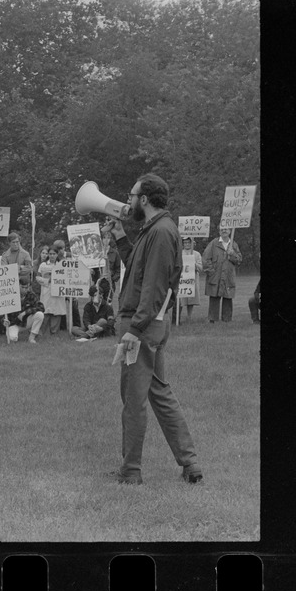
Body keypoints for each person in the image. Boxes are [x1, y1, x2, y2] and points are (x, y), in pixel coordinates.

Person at [105, 173, 203, 485]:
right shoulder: (156, 230)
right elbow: (137, 269)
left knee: (134, 398)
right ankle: (190, 464)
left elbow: (154, 288)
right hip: (149, 324)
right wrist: (121, 235)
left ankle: (131, 470)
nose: (129, 201)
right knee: (159, 391)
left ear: (144, 199)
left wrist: (133, 329)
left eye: (132, 196)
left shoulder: (160, 232)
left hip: (142, 325)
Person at [203, 227, 243, 322]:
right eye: (222, 229)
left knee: (228, 297)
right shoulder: (214, 243)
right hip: (215, 276)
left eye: (226, 229)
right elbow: (205, 258)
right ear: (219, 231)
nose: (224, 231)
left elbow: (239, 260)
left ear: (230, 231)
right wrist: (211, 271)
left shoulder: (233, 244)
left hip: (228, 276)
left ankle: (227, 320)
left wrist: (232, 254)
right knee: (214, 296)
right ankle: (212, 319)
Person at [37, 245, 66, 334]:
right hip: (46, 290)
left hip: (58, 292)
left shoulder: (62, 265)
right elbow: (37, 277)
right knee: (45, 311)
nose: (52, 255)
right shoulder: (43, 265)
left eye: (54, 254)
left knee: (56, 312)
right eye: (50, 254)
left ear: (57, 254)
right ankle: (41, 332)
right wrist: (47, 280)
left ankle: (54, 332)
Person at [176, 236, 203, 323]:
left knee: (191, 299)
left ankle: (189, 316)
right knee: (180, 299)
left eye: (189, 243)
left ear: (192, 244)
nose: (187, 244)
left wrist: (194, 264)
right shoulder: (179, 253)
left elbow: (200, 268)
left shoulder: (196, 254)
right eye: (185, 243)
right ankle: (177, 317)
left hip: (192, 279)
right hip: (182, 279)